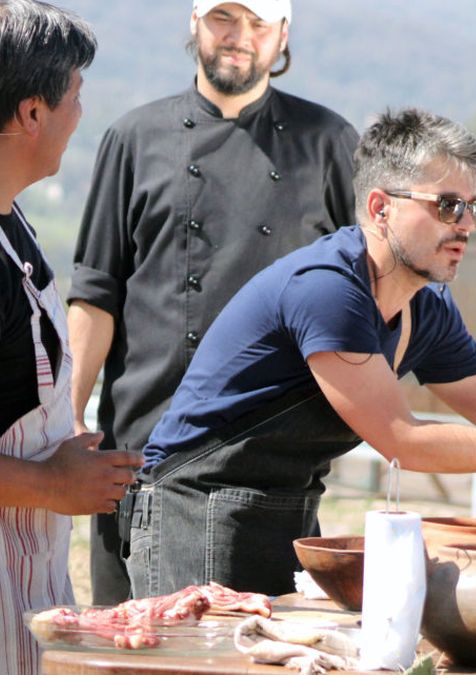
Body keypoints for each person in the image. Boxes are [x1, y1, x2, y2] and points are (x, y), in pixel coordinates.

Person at [125, 108, 476, 598]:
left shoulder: (427, 307)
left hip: (283, 515)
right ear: (380, 207)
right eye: (446, 206)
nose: (465, 225)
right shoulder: (327, 288)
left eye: (473, 208)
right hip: (192, 511)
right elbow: (403, 440)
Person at [68, 0, 359, 604]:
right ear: (194, 23)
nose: (240, 37)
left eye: (258, 24)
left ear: (283, 35)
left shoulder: (329, 142)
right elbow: (97, 291)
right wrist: (70, 413)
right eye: (225, 18)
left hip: (272, 462)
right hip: (143, 448)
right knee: (134, 648)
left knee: (263, 645)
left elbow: (359, 291)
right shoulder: (134, 136)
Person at [0, 2, 144, 672]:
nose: (80, 115)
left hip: (9, 569)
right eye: (75, 96)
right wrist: (51, 483)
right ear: (31, 114)